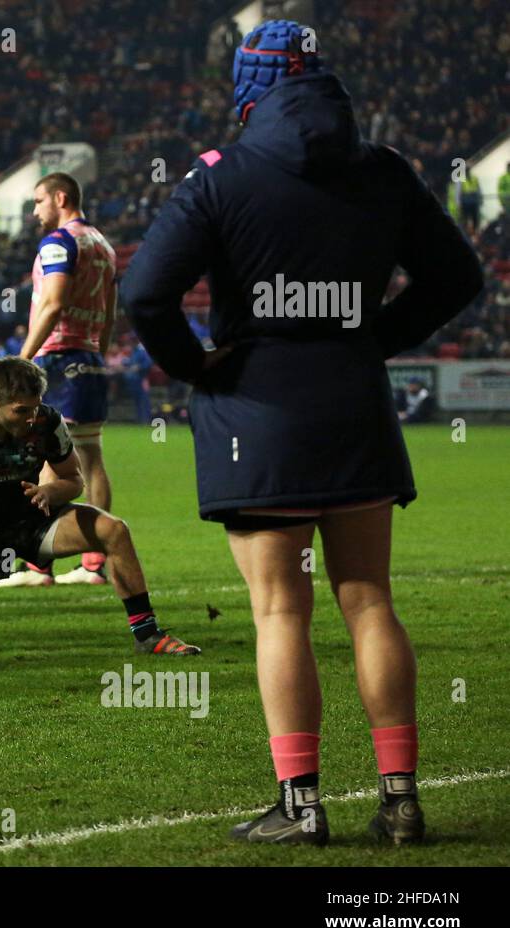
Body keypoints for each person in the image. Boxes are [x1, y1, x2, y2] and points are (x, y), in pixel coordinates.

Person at [120, 19, 484, 845]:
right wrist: (372, 340)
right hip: (354, 403)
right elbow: (457, 277)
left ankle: (302, 806)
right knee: (369, 599)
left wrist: (198, 367)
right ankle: (400, 800)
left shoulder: (221, 174)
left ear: (250, 86)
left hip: (259, 410)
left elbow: (146, 294)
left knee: (281, 609)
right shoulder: (382, 169)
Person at [0, 357, 198, 655]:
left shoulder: (48, 422)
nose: (31, 418)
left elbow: (74, 480)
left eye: (34, 409)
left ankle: (147, 635)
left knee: (114, 530)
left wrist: (51, 491)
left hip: (37, 522)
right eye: (22, 411)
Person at [7, 172, 118, 587]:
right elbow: (109, 314)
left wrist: (23, 359)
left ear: (60, 197)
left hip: (56, 360)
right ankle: (92, 566)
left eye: (38, 202)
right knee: (91, 461)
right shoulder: (103, 245)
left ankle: (39, 566)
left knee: (47, 462)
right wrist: (95, 356)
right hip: (88, 359)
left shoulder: (59, 242)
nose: (35, 211)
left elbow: (52, 305)